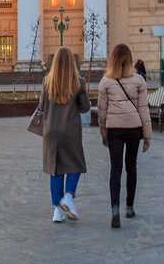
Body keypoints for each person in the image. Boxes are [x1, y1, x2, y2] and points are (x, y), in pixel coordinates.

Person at [98, 44, 151, 228]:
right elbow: (144, 109)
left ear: (112, 59)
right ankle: (129, 206)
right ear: (130, 60)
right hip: (134, 128)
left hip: (114, 129)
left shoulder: (105, 81)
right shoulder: (139, 81)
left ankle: (115, 208)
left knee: (115, 169)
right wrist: (148, 135)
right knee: (131, 166)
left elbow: (102, 112)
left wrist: (103, 133)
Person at [39, 46, 91, 224]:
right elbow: (85, 107)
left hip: (51, 131)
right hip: (71, 130)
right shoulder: (78, 82)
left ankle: (57, 212)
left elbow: (41, 107)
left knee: (55, 168)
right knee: (75, 164)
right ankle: (68, 197)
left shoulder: (47, 81)